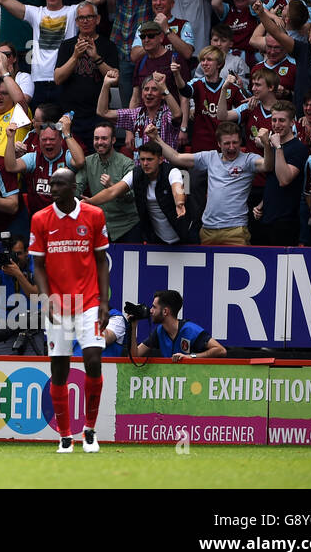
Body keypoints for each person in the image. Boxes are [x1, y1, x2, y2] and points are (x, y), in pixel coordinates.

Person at [30, 168, 110, 454]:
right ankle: (65, 436)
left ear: (73, 187)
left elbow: (101, 261)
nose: (53, 188)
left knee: (92, 360)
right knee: (59, 369)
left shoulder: (94, 215)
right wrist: (46, 296)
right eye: (51, 183)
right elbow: (38, 266)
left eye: (59, 184)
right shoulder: (40, 219)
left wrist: (103, 301)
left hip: (88, 301)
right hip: (59, 305)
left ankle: (89, 430)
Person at [128, 290, 226, 361]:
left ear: (165, 311)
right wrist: (133, 327)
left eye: (154, 307)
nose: (150, 310)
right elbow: (134, 356)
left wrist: (191, 357)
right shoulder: (159, 331)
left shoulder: (190, 329)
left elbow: (221, 350)